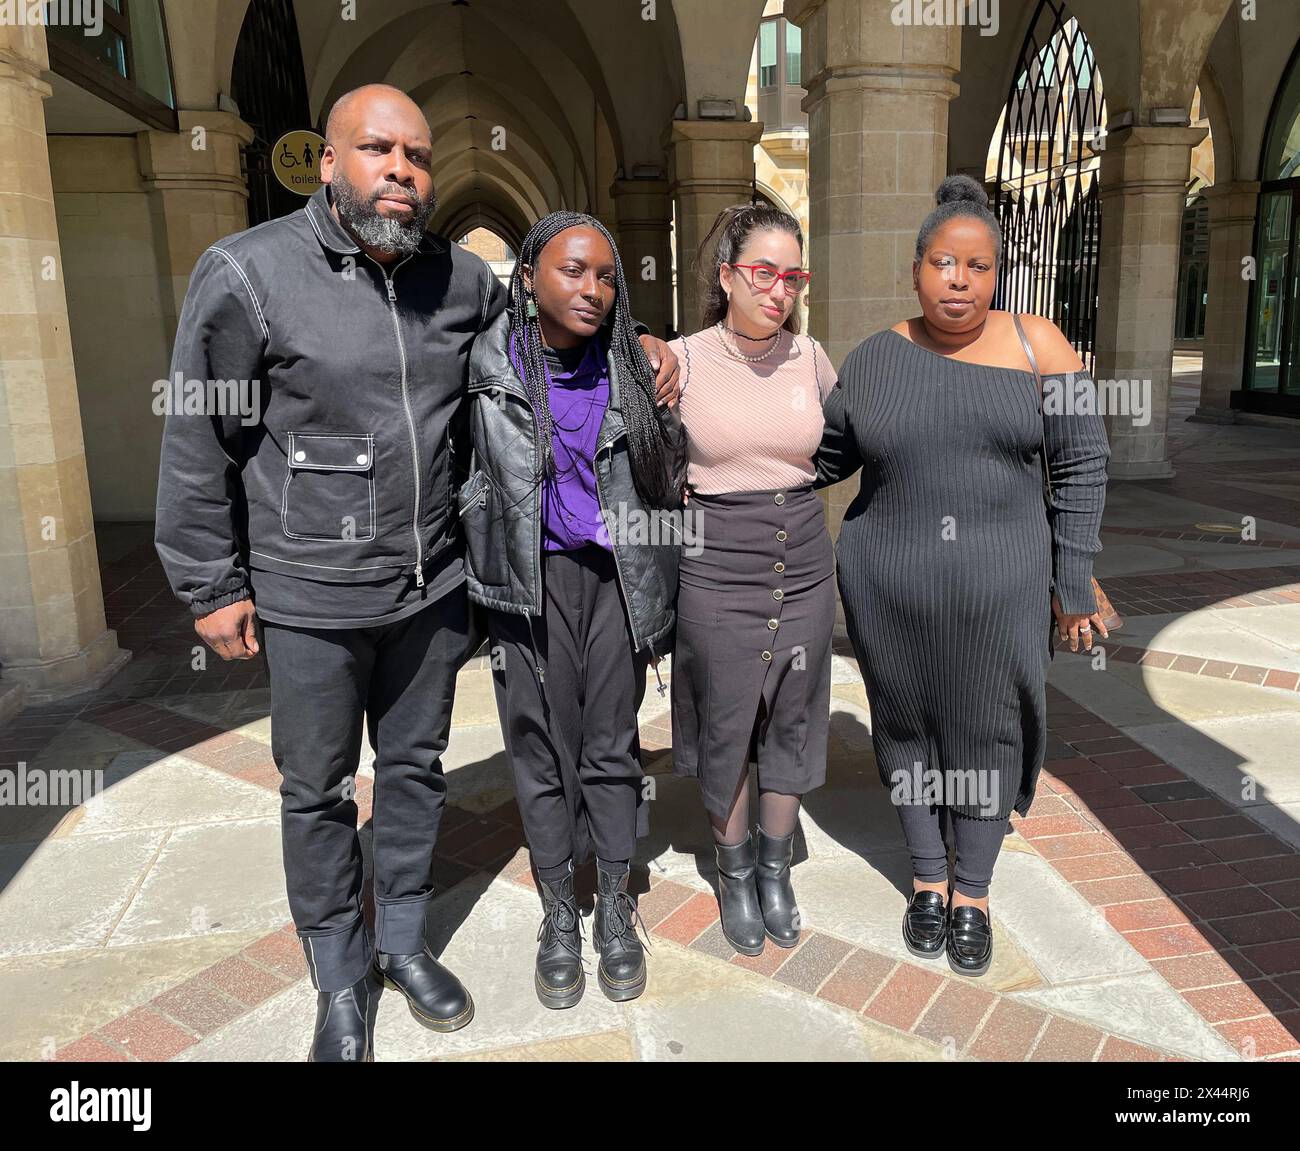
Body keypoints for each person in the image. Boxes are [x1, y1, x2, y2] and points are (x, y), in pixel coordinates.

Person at [154, 84, 680, 1060]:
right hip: (308, 591)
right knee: (315, 789)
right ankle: (339, 975)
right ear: (328, 161)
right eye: (377, 149)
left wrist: (637, 342)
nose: (401, 170)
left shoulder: (460, 281)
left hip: (431, 591)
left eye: (417, 156)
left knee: (413, 771)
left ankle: (400, 938)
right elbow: (197, 434)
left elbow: (552, 321)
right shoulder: (247, 273)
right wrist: (208, 580)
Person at [814, 174, 1111, 977]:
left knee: (988, 731)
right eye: (944, 262)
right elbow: (824, 457)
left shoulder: (1038, 344)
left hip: (1003, 590)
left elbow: (1083, 466)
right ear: (917, 269)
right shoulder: (874, 358)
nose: (959, 280)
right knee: (905, 725)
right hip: (887, 587)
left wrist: (1074, 578)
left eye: (977, 266)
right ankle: (926, 879)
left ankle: (972, 892)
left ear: (997, 273)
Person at [463, 212, 686, 1007]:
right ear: (527, 277)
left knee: (611, 744)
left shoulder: (633, 364)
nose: (592, 290)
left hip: (616, 578)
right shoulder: (485, 368)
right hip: (528, 584)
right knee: (539, 747)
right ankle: (560, 908)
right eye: (571, 271)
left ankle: (616, 903)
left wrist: (660, 354)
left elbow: (670, 473)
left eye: (604, 276)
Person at [669, 204, 836, 955]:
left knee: (793, 715)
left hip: (802, 557)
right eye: (763, 273)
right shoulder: (682, 358)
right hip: (718, 563)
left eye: (792, 276)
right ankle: (733, 872)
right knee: (727, 722)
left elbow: (844, 442)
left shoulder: (810, 357)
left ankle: (776, 869)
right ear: (728, 274)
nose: (780, 291)